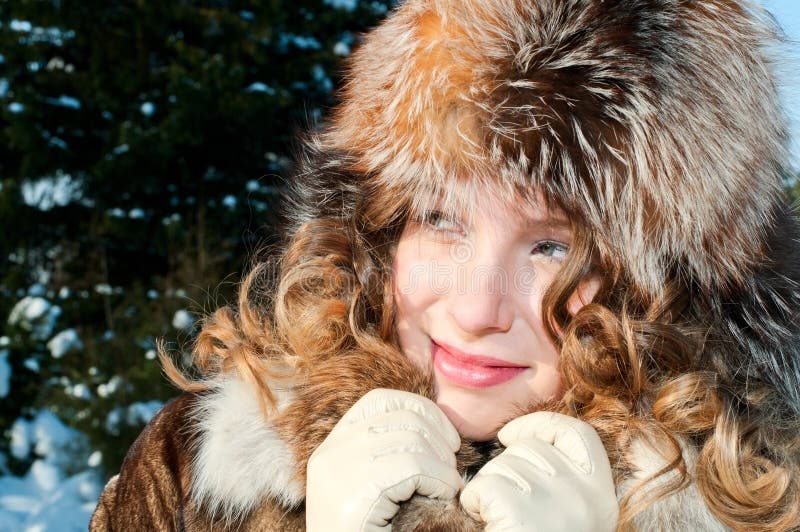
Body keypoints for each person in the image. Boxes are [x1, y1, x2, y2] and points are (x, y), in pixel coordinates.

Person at [90, 0, 800, 530]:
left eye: (553, 246)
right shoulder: (190, 467)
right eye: (440, 218)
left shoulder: (764, 507)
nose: (474, 311)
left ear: (668, 294)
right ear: (375, 232)